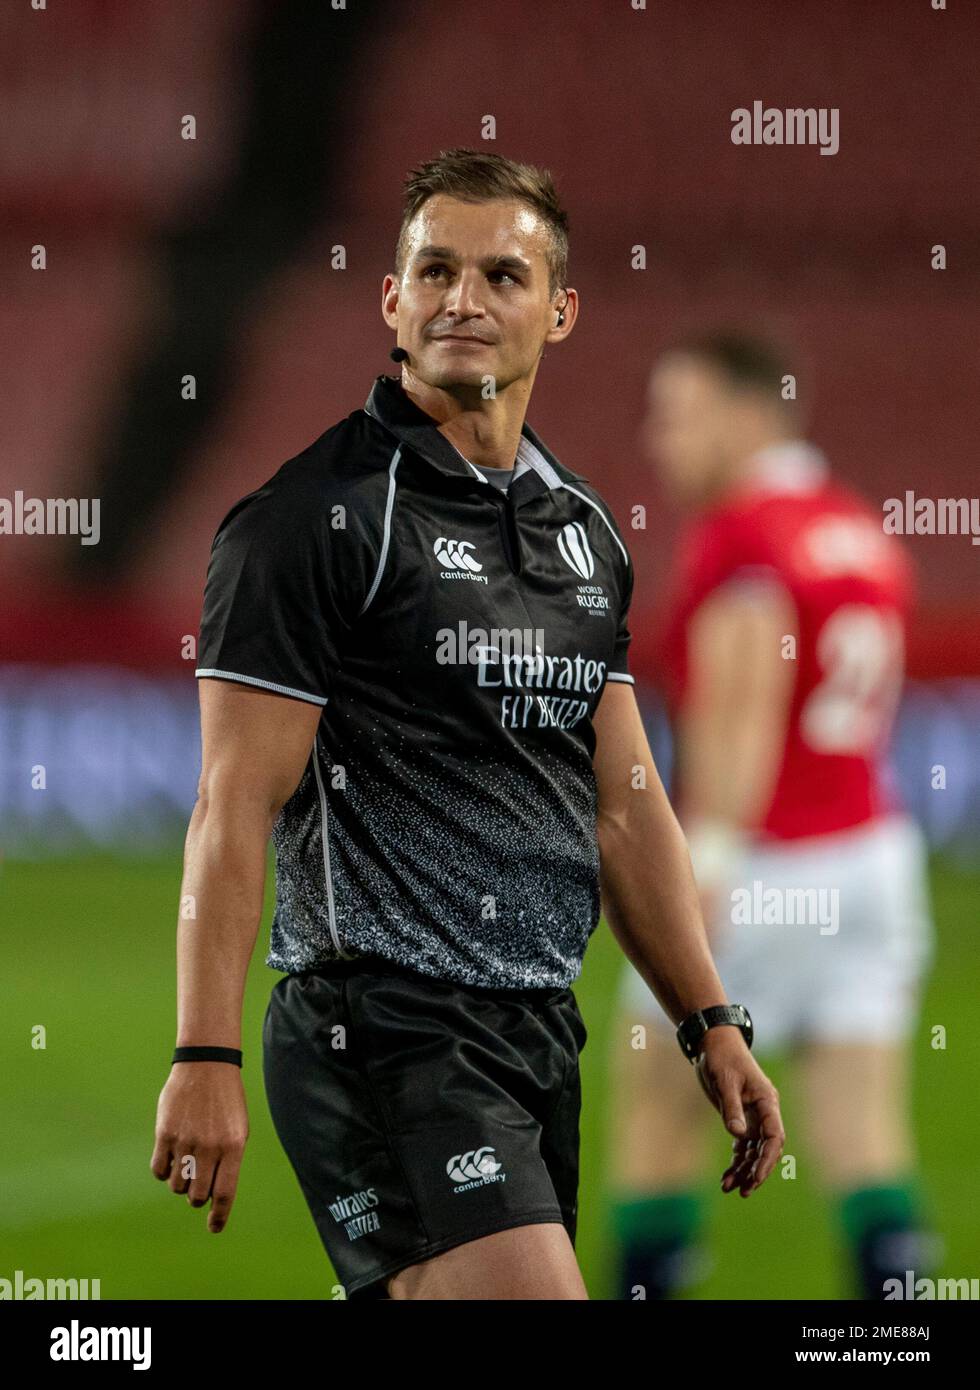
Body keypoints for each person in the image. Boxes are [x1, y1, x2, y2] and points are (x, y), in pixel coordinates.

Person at [150, 151, 784, 1301]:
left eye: (502, 274)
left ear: (559, 309)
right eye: (434, 269)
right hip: (381, 1026)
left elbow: (624, 806)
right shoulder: (311, 522)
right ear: (390, 299)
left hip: (536, 1031)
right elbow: (231, 804)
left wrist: (708, 1020)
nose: (463, 299)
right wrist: (204, 1050)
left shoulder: (586, 532)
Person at [608, 331, 938, 1300]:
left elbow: (741, 703)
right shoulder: (853, 527)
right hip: (869, 856)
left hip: (757, 865)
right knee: (863, 1137)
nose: (656, 439)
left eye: (677, 413)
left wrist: (699, 861)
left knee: (657, 1122)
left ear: (748, 414)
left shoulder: (741, 534)